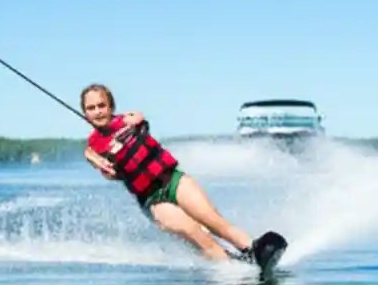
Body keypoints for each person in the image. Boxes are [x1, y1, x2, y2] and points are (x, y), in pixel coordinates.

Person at [81, 83, 255, 262]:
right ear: (86, 114)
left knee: (212, 219)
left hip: (172, 180)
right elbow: (110, 175)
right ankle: (231, 266)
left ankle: (254, 249)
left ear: (111, 107)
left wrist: (136, 118)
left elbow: (140, 119)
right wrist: (98, 161)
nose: (98, 111)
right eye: (91, 108)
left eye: (102, 105)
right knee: (193, 231)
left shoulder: (128, 120)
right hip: (153, 200)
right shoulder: (95, 148)